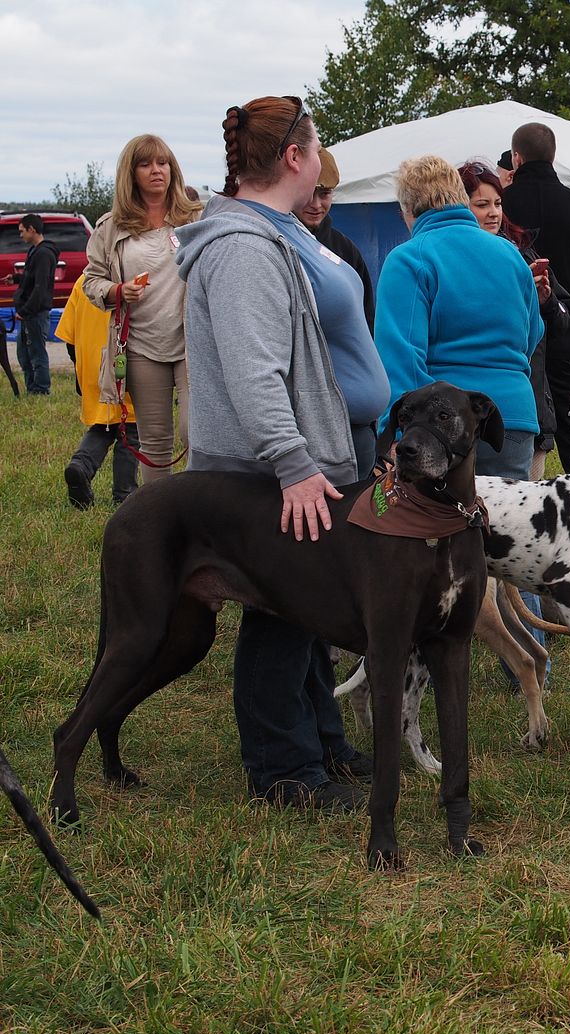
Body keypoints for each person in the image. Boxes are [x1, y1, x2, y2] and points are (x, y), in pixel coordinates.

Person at [176, 94, 388, 810]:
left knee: (311, 608)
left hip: (311, 451)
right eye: (316, 144)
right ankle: (283, 772)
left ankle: (319, 743)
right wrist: (293, 462)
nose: (320, 158)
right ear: (293, 156)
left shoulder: (272, 231)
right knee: (279, 610)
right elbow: (251, 365)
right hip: (272, 468)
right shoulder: (241, 244)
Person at [374, 154, 543, 479]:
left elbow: (400, 357)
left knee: (434, 525)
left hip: (440, 423)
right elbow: (532, 333)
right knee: (503, 526)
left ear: (408, 210)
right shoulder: (510, 253)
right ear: (459, 197)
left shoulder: (409, 258)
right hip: (513, 414)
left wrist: (397, 433)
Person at [83, 135, 203, 482]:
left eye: (163, 163)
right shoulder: (111, 226)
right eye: (146, 164)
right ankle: (159, 527)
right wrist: (118, 290)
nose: (156, 171)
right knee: (155, 443)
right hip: (139, 345)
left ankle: (203, 518)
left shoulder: (196, 217)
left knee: (197, 434)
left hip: (192, 342)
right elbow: (91, 281)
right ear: (130, 173)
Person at [503, 122, 570, 471]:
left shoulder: (499, 208)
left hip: (513, 338)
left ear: (516, 158)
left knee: (508, 436)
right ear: (553, 156)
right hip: (569, 340)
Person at [456, 158, 568, 480]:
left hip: (524, 407)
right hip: (464, 412)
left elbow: (562, 323)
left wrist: (542, 301)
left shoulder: (521, 254)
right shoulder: (447, 260)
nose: (493, 212)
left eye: (498, 203)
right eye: (482, 204)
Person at [56, 273, 139, 508]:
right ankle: (125, 492)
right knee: (130, 430)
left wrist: (80, 372)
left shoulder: (83, 281)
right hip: (123, 365)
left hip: (92, 368)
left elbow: (69, 337)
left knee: (103, 426)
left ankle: (81, 465)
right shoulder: (131, 281)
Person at [299, 148, 376, 333]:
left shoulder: (345, 250)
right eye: (309, 193)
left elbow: (366, 320)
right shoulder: (276, 244)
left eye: (324, 194)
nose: (316, 204)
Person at [12, 214, 58, 394]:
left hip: (36, 313)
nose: (21, 235)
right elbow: (32, 280)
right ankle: (32, 387)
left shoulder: (44, 253)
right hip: (29, 313)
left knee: (37, 353)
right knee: (24, 355)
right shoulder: (34, 251)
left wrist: (25, 310)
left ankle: (41, 389)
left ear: (32, 229)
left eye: (22, 231)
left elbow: (40, 287)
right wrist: (17, 278)